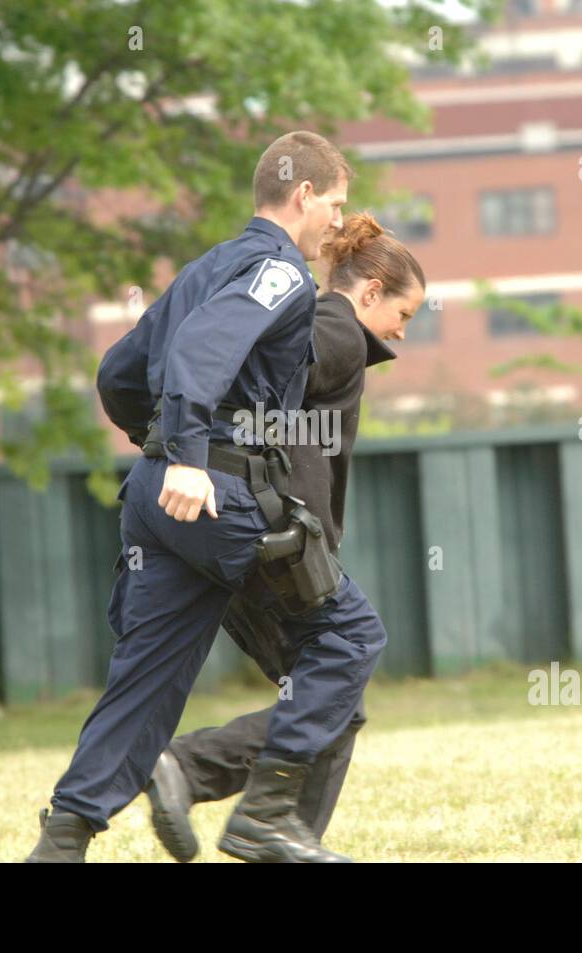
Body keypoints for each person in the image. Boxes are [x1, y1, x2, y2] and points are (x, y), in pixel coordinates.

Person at [26, 131, 387, 864]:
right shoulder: (281, 269)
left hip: (159, 498)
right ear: (304, 195)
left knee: (145, 681)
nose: (335, 226)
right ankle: (267, 816)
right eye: (335, 205)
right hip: (213, 490)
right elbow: (200, 355)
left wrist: (160, 448)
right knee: (350, 637)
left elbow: (118, 373)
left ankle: (61, 842)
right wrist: (192, 455)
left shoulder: (209, 265)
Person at [146, 213, 425, 862]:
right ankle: (192, 770)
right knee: (352, 650)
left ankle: (277, 835)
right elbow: (252, 369)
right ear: (373, 289)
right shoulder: (334, 328)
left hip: (250, 539)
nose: (404, 333)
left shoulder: (324, 329)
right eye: (404, 312)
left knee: (333, 703)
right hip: (277, 543)